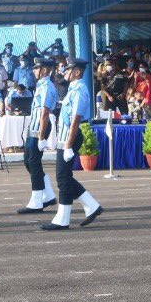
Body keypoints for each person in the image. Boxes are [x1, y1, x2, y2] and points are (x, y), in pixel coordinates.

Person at [41, 60, 104, 231]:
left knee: (63, 178)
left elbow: (76, 120)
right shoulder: (73, 89)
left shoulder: (79, 90)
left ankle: (65, 217)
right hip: (65, 138)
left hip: (70, 138)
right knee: (64, 178)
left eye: (68, 70)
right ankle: (89, 207)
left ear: (77, 72)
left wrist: (68, 146)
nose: (65, 72)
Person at [18, 58, 60, 214]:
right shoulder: (41, 85)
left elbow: (44, 114)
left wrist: (42, 138)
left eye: (36, 69)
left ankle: (37, 201)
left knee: (33, 162)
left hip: (40, 128)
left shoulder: (47, 87)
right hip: (34, 127)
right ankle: (47, 194)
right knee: (28, 161)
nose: (34, 71)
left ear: (43, 70)